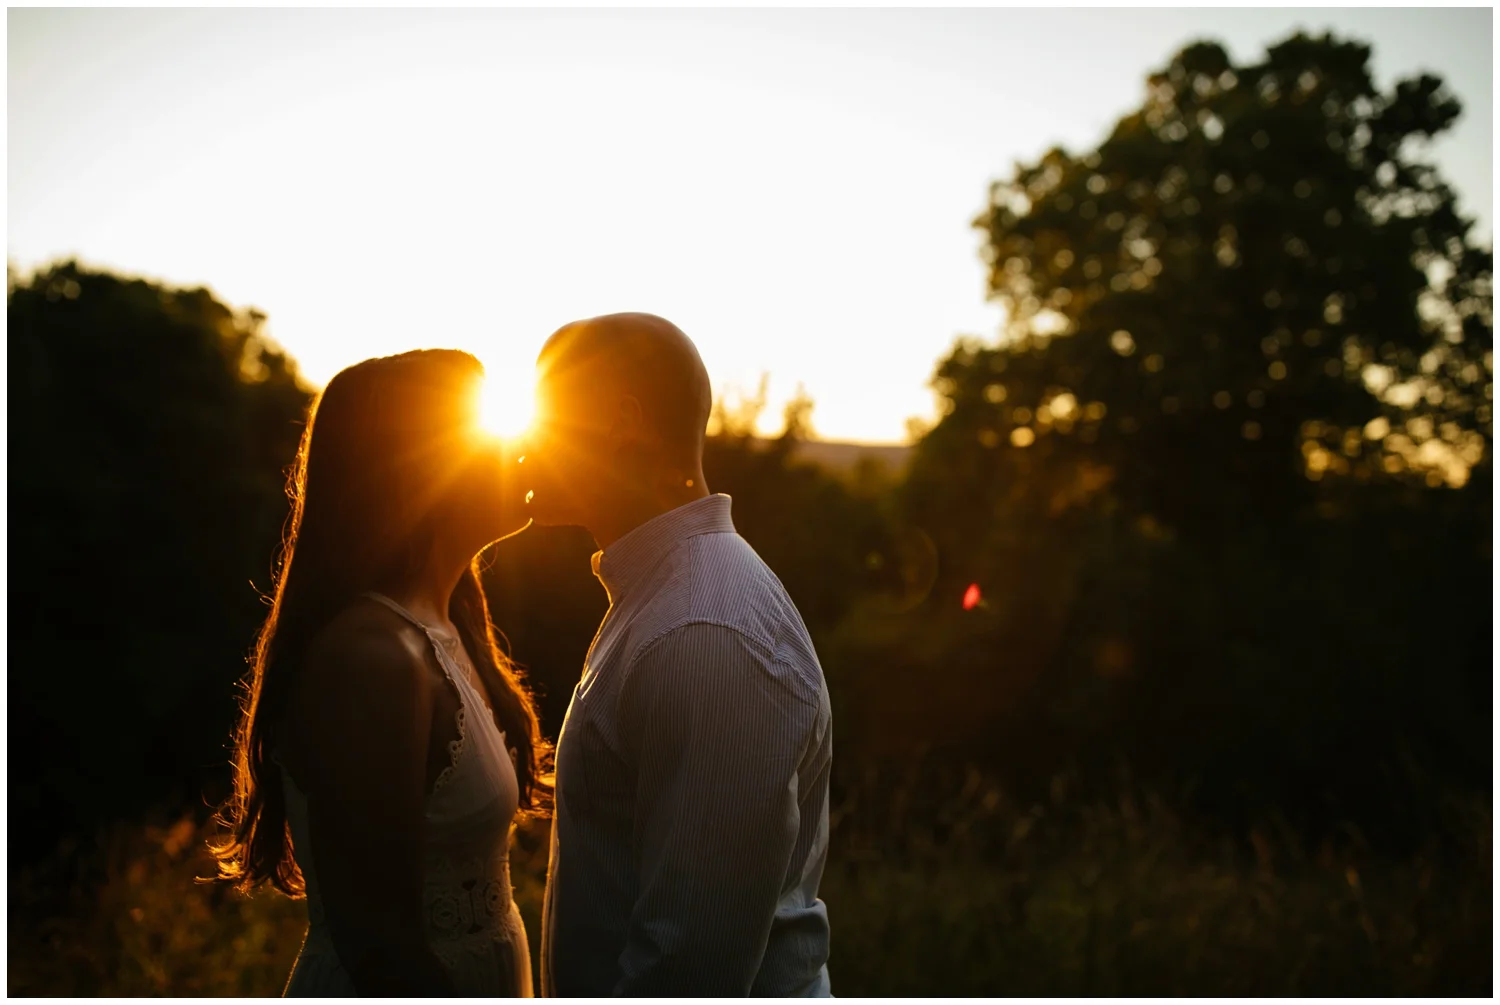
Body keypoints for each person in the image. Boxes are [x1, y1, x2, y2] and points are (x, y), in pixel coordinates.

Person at [212, 349, 548, 996]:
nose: (521, 443)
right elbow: (382, 950)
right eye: (487, 429)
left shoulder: (450, 628)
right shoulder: (373, 658)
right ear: (422, 470)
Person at [527, 312, 834, 996]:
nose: (519, 440)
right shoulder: (664, 597)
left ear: (619, 421)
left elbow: (689, 964)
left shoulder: (704, 631)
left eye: (542, 411)